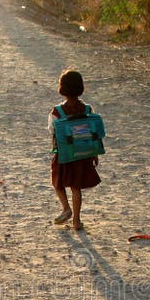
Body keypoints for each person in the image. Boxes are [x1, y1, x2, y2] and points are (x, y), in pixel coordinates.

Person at [48, 69, 101, 230]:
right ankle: (77, 221)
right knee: (76, 187)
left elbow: (52, 129)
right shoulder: (87, 109)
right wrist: (95, 154)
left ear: (62, 88)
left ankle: (66, 208)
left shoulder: (57, 111)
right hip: (82, 154)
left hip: (64, 153)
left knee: (57, 182)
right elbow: (92, 133)